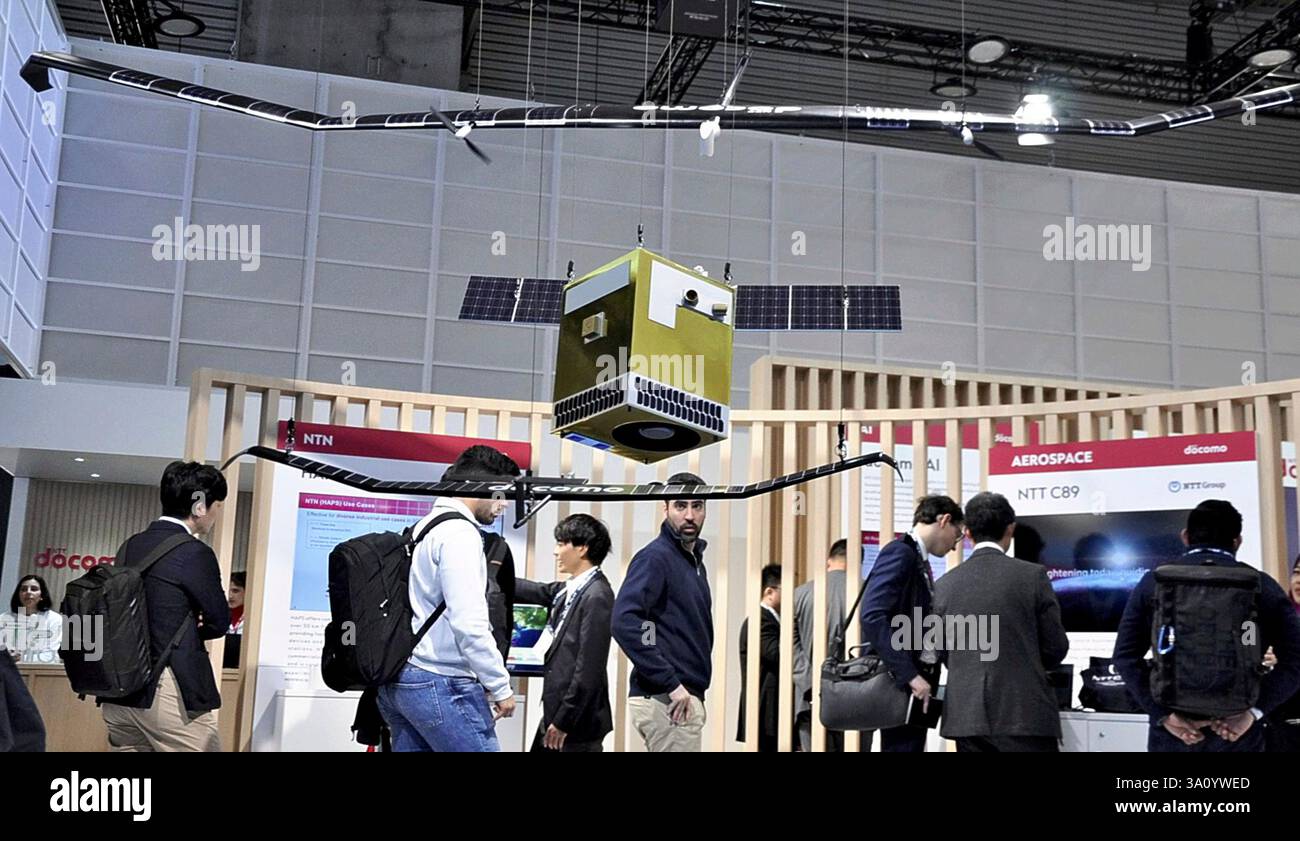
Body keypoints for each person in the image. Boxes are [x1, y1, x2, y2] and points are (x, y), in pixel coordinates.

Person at [1113, 500, 1300, 752]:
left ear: (1186, 537)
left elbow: (1124, 658)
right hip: (1238, 733)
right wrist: (1253, 712)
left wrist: (1163, 715)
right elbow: (1295, 661)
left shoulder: (1153, 582)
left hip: (1173, 733)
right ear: (1237, 541)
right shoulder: (1261, 585)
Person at [376, 445, 519, 752]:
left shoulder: (425, 527)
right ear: (479, 486)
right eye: (500, 494)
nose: (503, 504)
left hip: (401, 679)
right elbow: (469, 623)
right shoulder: (460, 534)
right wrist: (500, 686)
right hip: (440, 682)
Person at [100, 461, 231, 752]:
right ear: (199, 506)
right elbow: (219, 620)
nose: (216, 515)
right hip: (167, 691)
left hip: (119, 692)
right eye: (217, 507)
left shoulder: (130, 546)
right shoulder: (194, 552)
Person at [933, 492, 1070, 752]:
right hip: (1024, 713)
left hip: (966, 715)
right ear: (1010, 528)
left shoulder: (944, 586)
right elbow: (1055, 647)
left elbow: (939, 652)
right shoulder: (1033, 577)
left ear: (968, 532)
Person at [612, 472, 713, 752]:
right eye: (681, 506)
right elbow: (627, 621)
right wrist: (670, 682)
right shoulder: (656, 557)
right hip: (667, 698)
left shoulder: (693, 562)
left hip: (677, 696)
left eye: (698, 506)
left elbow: (648, 624)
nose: (690, 515)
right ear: (665, 507)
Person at [859, 495, 964, 752]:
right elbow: (872, 615)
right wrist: (911, 675)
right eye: (957, 535)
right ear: (944, 520)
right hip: (901, 684)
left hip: (911, 685)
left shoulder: (916, 558)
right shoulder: (900, 552)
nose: (954, 546)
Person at [514, 513, 615, 752]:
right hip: (559, 715)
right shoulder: (572, 588)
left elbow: (589, 668)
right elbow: (537, 591)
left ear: (582, 548)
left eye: (561, 544)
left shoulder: (597, 595)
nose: (556, 551)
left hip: (575, 724)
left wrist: (563, 720)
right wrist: (493, 573)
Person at [793, 540, 848, 751]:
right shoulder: (868, 593)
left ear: (829, 561)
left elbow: (790, 645)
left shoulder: (800, 594)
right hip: (856, 699)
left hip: (809, 698)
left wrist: (807, 681)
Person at [737, 564, 782, 751]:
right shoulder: (760, 619)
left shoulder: (770, 619)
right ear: (769, 592)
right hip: (764, 710)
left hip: (769, 711)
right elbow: (776, 654)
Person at [1, 575, 63, 664]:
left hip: (38, 672)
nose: (28, 592)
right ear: (18, 594)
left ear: (42, 595)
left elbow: (53, 656)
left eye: (34, 589)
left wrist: (21, 659)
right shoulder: (4, 618)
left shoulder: (54, 619)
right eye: (23, 589)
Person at [222, 572, 246, 669]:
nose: (230, 596)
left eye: (235, 591)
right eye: (228, 591)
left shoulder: (254, 620)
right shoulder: (219, 616)